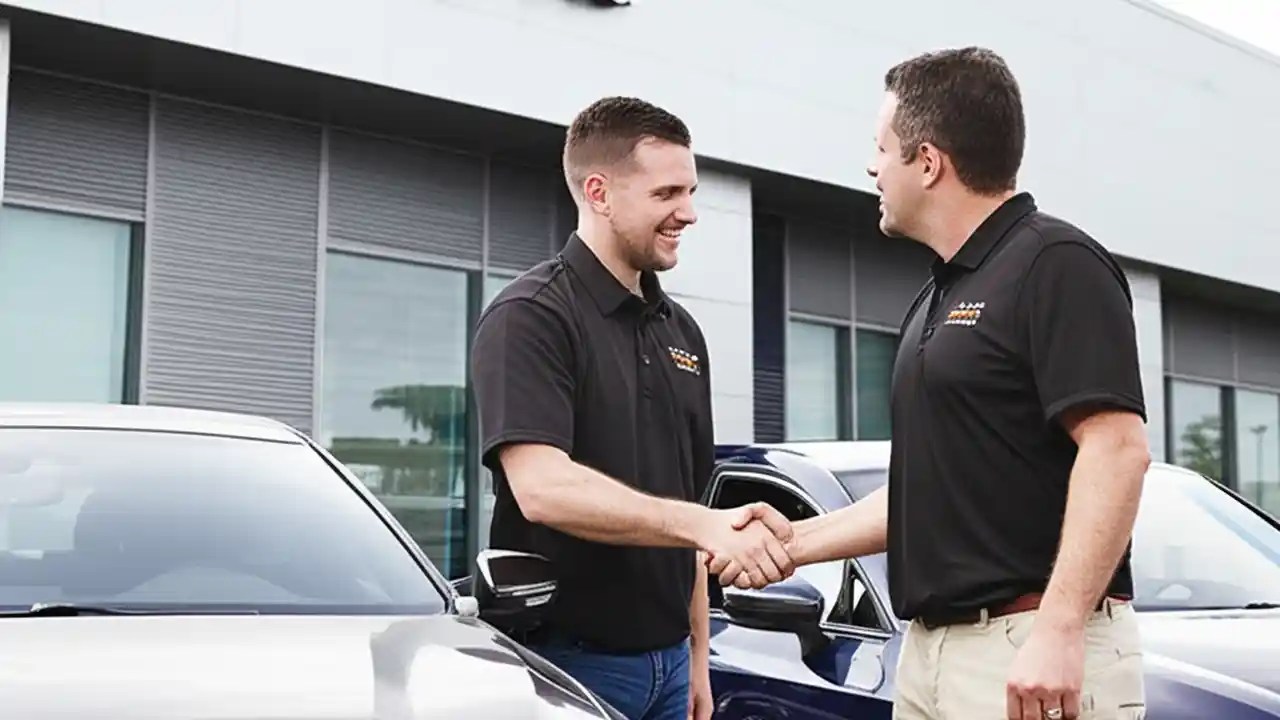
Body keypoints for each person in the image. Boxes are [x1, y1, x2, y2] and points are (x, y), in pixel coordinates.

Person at [712, 47, 1152, 720]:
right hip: (927, 657)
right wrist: (793, 544)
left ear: (928, 161)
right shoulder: (936, 297)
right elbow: (926, 492)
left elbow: (1117, 450)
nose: (871, 167)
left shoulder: (1056, 263)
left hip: (1027, 650)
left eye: (881, 148)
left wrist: (1058, 630)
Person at [470, 96, 795, 720]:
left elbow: (690, 502)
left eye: (691, 191)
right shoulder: (531, 318)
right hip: (564, 667)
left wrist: (698, 657)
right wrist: (698, 526)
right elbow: (543, 488)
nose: (689, 213)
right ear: (599, 192)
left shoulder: (684, 334)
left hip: (672, 669)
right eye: (667, 193)